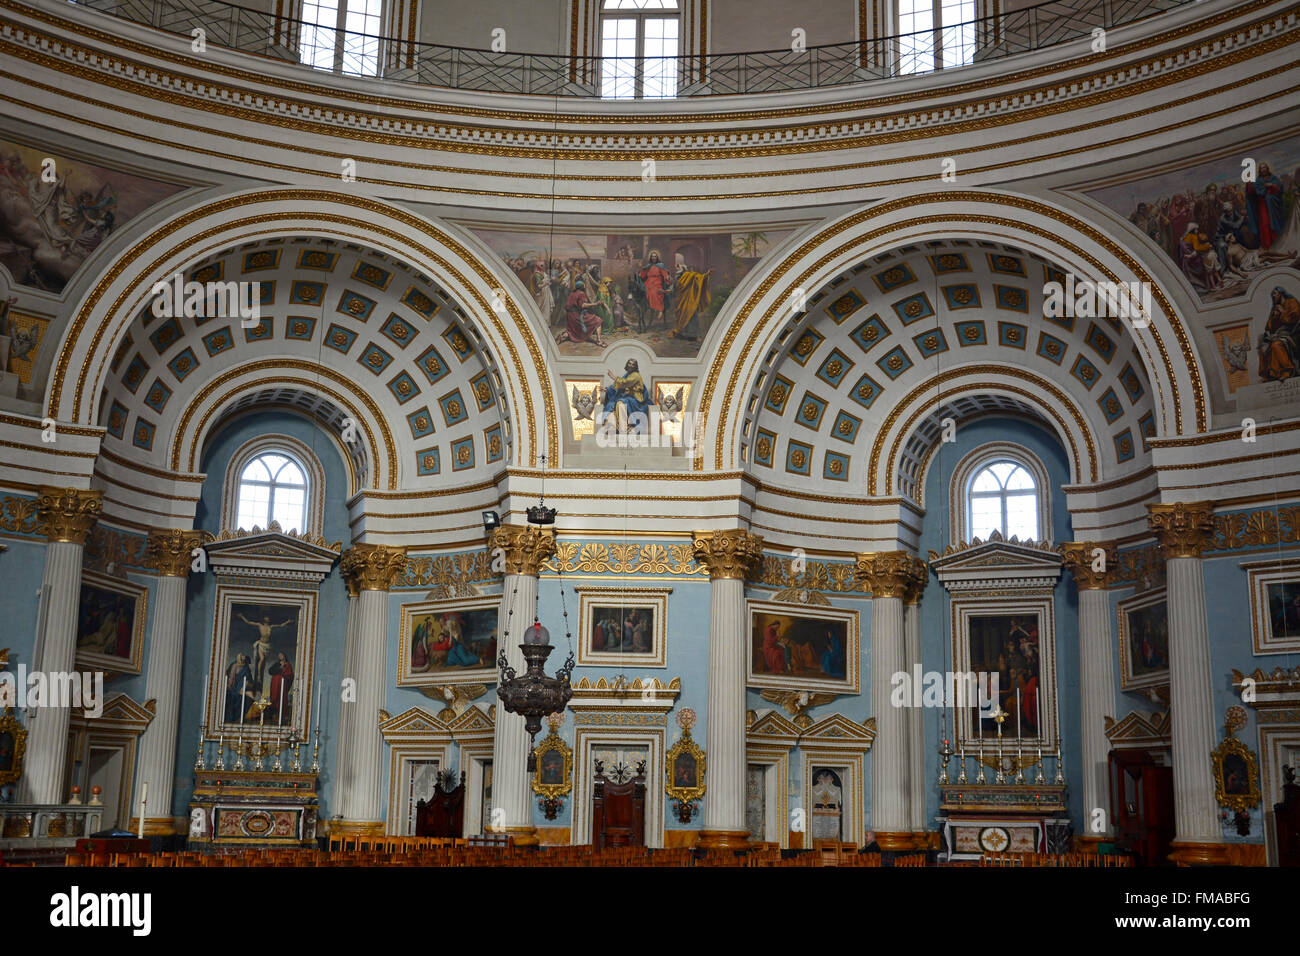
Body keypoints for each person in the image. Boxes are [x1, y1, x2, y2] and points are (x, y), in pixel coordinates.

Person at [1259, 287, 1300, 382]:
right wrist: (1274, 317)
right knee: (1263, 348)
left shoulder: (1292, 302)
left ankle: (1287, 370)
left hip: (1292, 333)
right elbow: (1269, 327)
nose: (1273, 296)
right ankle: (1269, 375)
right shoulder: (1275, 308)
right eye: (1272, 294)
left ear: (1281, 293)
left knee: (1276, 345)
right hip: (1277, 334)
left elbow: (1295, 317)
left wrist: (1283, 312)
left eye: (1275, 293)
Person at [601, 359, 651, 434]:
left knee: (620, 403)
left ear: (635, 366)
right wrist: (607, 390)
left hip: (636, 398)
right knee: (611, 405)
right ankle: (615, 426)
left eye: (633, 364)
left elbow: (625, 383)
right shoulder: (627, 375)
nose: (630, 366)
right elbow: (618, 387)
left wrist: (613, 377)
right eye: (629, 364)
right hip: (627, 397)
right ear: (627, 365)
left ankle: (624, 427)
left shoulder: (636, 375)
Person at [638, 250, 673, 327]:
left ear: (657, 257)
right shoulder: (648, 266)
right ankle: (645, 308)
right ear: (650, 257)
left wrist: (667, 277)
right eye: (652, 256)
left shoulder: (660, 265)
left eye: (655, 256)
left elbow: (665, 274)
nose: (654, 258)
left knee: (655, 292)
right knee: (643, 291)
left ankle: (660, 309)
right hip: (648, 282)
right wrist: (641, 268)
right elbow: (642, 275)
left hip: (657, 282)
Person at [225, 653, 253, 722]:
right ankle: (232, 717)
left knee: (241, 700)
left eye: (244, 656)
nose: (244, 657)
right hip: (235, 685)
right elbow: (231, 677)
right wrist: (229, 686)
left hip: (242, 685)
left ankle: (239, 717)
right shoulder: (235, 665)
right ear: (239, 657)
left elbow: (248, 678)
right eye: (243, 656)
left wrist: (244, 687)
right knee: (233, 700)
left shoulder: (246, 667)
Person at [268, 652, 294, 723]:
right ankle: (274, 715)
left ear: (284, 656)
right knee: (274, 697)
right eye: (279, 656)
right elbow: (270, 671)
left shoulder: (288, 665)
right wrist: (280, 668)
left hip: (282, 684)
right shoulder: (277, 664)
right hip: (275, 684)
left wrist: (283, 673)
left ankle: (282, 715)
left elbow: (290, 675)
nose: (280, 656)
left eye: (281, 655)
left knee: (282, 698)